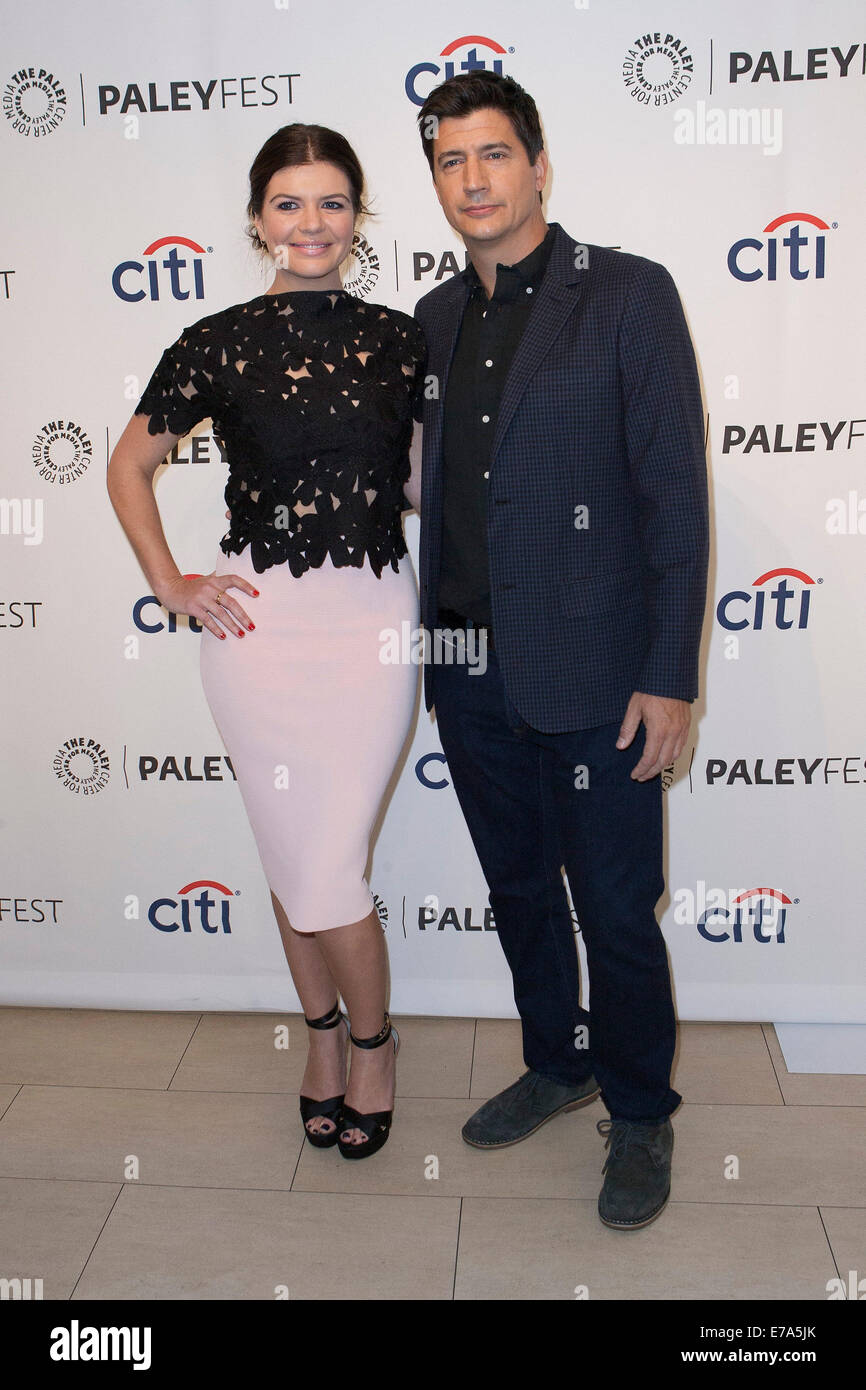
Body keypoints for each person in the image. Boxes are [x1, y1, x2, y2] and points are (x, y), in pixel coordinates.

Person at [412, 72, 709, 1228]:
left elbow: (672, 500)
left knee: (617, 909)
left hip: (597, 674)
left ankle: (637, 1112)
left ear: (538, 165)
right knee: (518, 891)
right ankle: (558, 1055)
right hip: (471, 667)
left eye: (493, 154)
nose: (473, 179)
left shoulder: (627, 294)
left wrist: (668, 674)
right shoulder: (434, 319)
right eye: (449, 159)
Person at [107, 124, 426, 1160]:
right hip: (258, 631)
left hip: (371, 622)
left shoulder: (399, 337)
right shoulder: (217, 339)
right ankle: (325, 1043)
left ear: (357, 217)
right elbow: (126, 466)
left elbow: (420, 483)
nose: (310, 223)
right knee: (296, 860)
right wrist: (171, 584)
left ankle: (372, 1045)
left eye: (332, 202)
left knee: (328, 863)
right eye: (288, 203)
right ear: (257, 219)